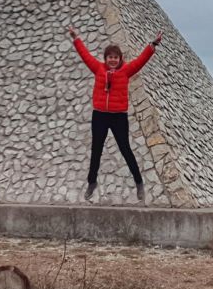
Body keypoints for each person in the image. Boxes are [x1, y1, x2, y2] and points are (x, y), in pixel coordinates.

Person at [68, 25, 162, 203]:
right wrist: (76, 38)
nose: (112, 60)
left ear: (120, 59)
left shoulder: (125, 71)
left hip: (118, 116)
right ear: (106, 59)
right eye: (110, 57)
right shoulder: (98, 69)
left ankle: (139, 182)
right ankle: (92, 182)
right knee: (96, 149)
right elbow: (85, 55)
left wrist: (152, 45)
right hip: (100, 116)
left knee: (125, 149)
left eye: (115, 57)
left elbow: (140, 61)